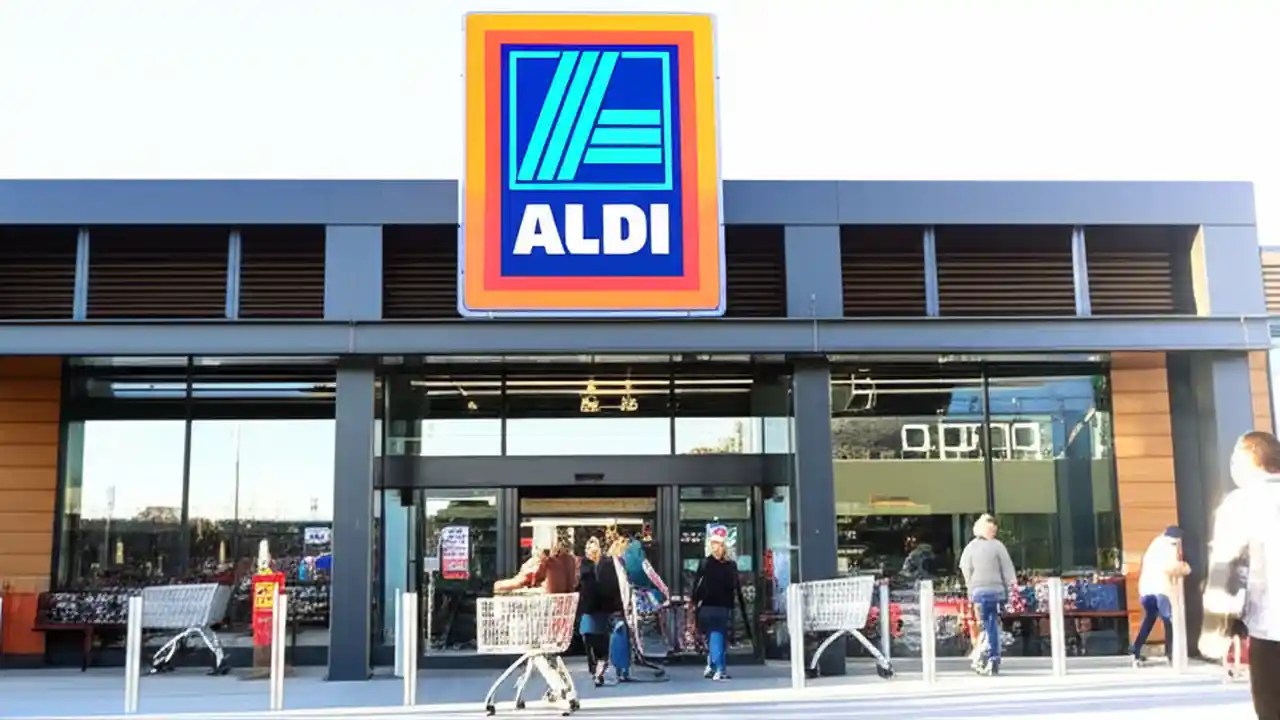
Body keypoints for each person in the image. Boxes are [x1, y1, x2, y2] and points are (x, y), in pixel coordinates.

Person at [1204, 431, 1280, 719]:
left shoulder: (1242, 502)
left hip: (1271, 629)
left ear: (1251, 459)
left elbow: (1227, 568)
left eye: (1235, 459)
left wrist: (1216, 632)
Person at [959, 513, 1016, 675]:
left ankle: (983, 654)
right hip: (996, 591)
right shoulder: (998, 546)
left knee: (984, 624)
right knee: (993, 624)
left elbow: (965, 567)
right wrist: (1012, 588)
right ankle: (993, 656)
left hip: (978, 592)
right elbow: (1007, 568)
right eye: (992, 531)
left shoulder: (970, 547)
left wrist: (970, 587)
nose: (994, 533)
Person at [1131, 526, 1191, 664]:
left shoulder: (1154, 544)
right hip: (1161, 590)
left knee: (1149, 619)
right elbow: (1171, 567)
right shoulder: (1169, 546)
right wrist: (1185, 568)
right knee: (1168, 620)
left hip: (1146, 589)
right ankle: (1171, 654)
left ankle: (1136, 648)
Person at [692, 530, 739, 681]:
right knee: (718, 635)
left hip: (706, 605)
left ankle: (712, 666)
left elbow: (696, 585)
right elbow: (733, 587)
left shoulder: (705, 563)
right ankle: (720, 668)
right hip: (721, 605)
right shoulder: (730, 565)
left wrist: (695, 602)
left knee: (713, 636)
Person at [577, 537, 613, 686]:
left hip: (592, 610)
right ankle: (598, 671)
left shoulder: (587, 568)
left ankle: (596, 671)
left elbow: (581, 587)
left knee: (592, 641)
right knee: (598, 643)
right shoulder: (605, 566)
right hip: (599, 610)